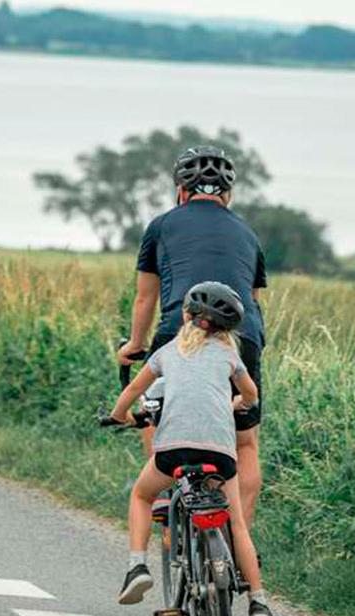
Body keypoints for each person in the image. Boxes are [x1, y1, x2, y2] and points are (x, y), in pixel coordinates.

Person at [110, 282, 282, 616]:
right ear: (228, 329)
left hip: (173, 450)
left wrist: (118, 416)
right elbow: (251, 394)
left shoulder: (167, 352)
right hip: (220, 453)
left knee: (142, 495)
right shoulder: (230, 356)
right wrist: (235, 404)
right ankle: (259, 603)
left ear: (186, 315)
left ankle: (137, 567)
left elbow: (133, 391)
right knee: (236, 522)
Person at [117, 146, 271, 529]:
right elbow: (253, 304)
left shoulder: (162, 225)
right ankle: (239, 540)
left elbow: (145, 297)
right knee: (245, 444)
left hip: (178, 331)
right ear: (227, 195)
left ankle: (168, 494)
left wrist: (135, 345)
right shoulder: (248, 235)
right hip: (241, 338)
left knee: (156, 412)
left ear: (180, 191)